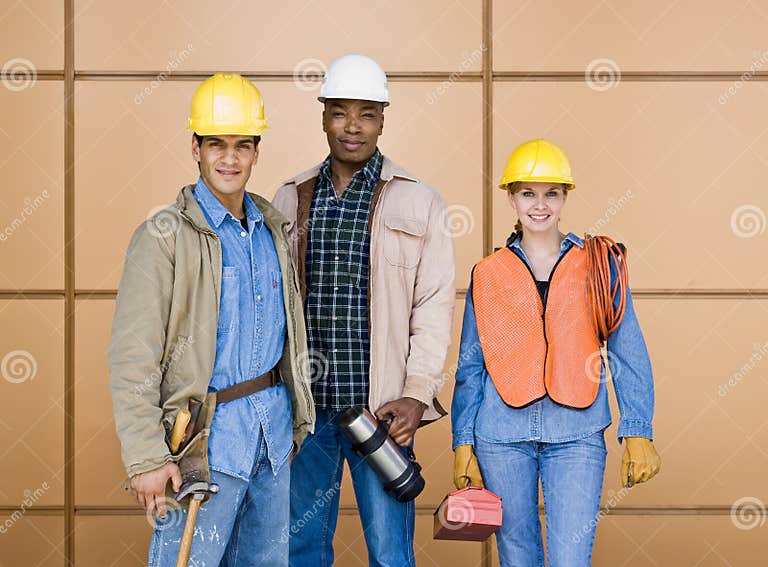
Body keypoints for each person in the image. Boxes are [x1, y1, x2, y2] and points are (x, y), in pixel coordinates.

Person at [109, 73, 313, 566]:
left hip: (269, 440)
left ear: (256, 153)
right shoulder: (162, 237)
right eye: (216, 144)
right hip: (200, 447)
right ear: (195, 148)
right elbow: (132, 355)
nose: (230, 158)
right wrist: (148, 459)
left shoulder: (270, 232)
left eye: (243, 145)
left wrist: (295, 419)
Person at [272, 54, 455, 567]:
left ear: (383, 119)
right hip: (305, 411)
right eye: (339, 112)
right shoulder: (289, 198)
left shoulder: (421, 202)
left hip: (381, 411)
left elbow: (433, 307)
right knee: (300, 548)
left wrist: (417, 395)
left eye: (366, 113)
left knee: (391, 553)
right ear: (323, 115)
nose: (352, 126)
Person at [451, 138, 661, 566]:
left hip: (577, 432)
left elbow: (627, 347)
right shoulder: (487, 274)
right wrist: (463, 441)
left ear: (566, 197)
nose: (539, 205)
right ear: (511, 198)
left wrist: (637, 429)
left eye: (551, 193)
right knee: (518, 558)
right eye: (528, 193)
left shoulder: (599, 265)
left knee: (570, 559)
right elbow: (471, 365)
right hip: (501, 436)